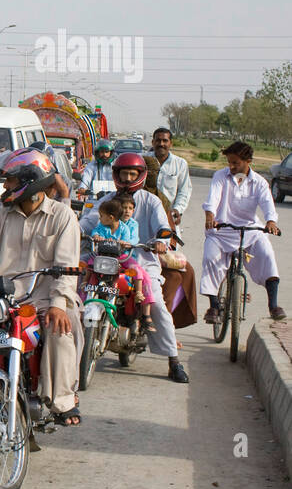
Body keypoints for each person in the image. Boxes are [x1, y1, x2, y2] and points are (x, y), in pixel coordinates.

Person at [0, 148, 83, 452]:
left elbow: (67, 269)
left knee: (62, 329)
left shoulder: (63, 217)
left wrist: (60, 303)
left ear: (28, 181)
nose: (4, 187)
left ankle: (62, 399)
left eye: (8, 181)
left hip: (44, 299)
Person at [79, 152, 191, 383]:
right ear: (116, 175)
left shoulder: (151, 201)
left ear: (141, 175)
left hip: (140, 261)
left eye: (132, 174)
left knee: (157, 304)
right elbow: (90, 219)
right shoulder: (106, 199)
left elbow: (163, 226)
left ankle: (174, 361)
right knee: (74, 289)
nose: (128, 178)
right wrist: (77, 229)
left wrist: (162, 239)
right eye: (124, 173)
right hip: (106, 260)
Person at [200, 141, 284, 322]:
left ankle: (273, 305)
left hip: (250, 232)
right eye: (229, 162)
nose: (231, 166)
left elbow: (268, 204)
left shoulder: (260, 182)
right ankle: (214, 306)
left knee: (268, 255)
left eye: (235, 163)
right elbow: (212, 199)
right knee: (210, 259)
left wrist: (270, 222)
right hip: (221, 231)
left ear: (248, 162)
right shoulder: (220, 176)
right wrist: (210, 216)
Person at [89, 195, 154, 331]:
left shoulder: (127, 227)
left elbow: (132, 240)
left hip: (122, 257)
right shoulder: (103, 225)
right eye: (124, 208)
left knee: (138, 272)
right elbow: (95, 232)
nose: (126, 211)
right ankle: (85, 292)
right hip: (104, 256)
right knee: (89, 266)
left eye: (130, 208)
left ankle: (140, 295)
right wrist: (96, 236)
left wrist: (126, 243)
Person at [151, 127, 191, 228]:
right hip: (146, 213)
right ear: (153, 142)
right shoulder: (143, 160)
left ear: (170, 143)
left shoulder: (180, 164)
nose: (161, 144)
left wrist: (178, 209)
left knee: (168, 242)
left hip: (168, 215)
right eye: (158, 140)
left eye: (165, 141)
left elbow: (184, 190)